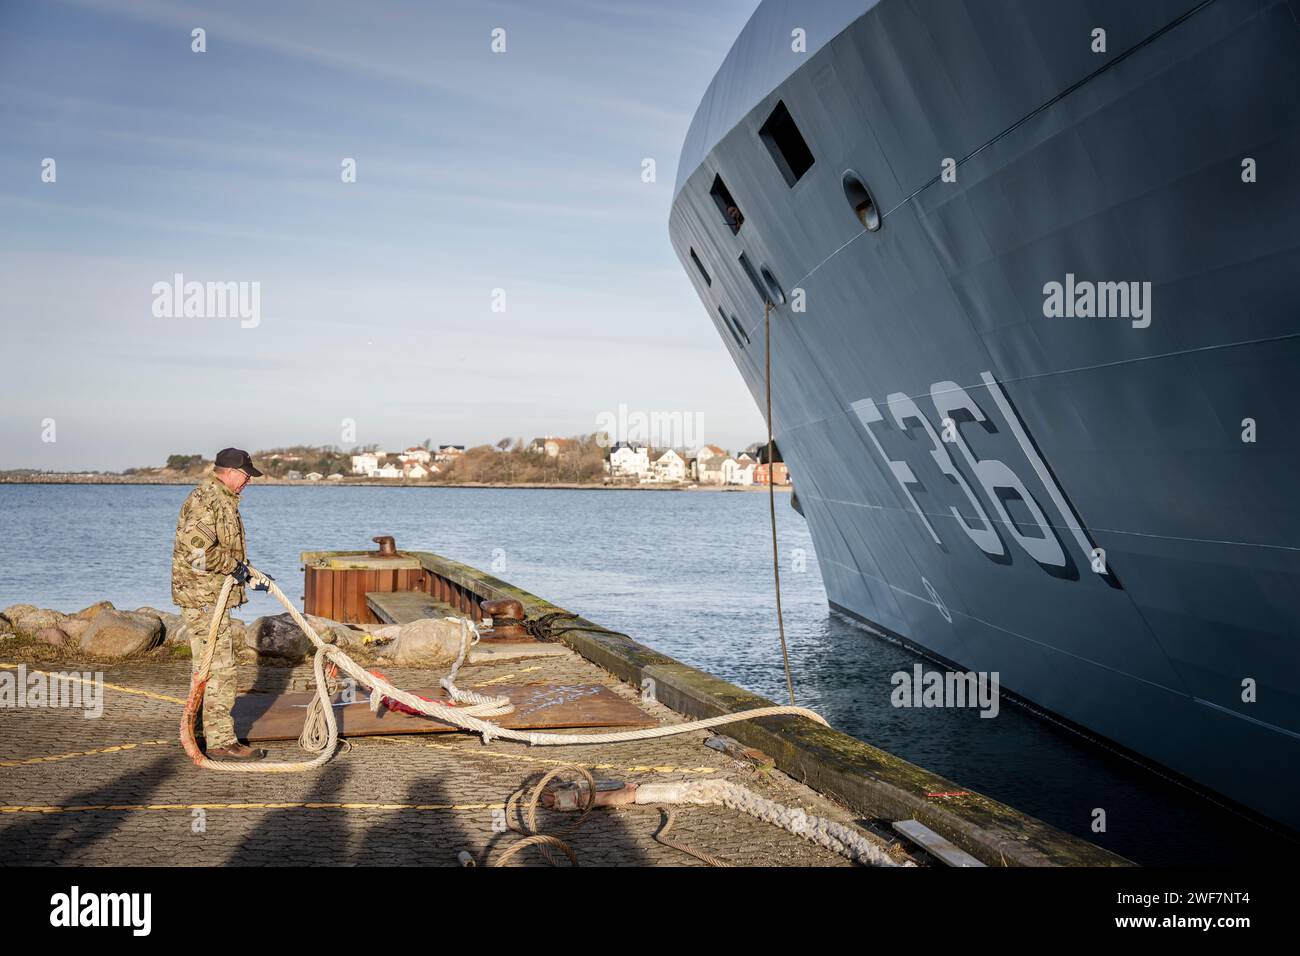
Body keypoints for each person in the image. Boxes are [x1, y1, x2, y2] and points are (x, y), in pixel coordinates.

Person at [171, 448, 268, 761]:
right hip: (201, 599)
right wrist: (233, 567)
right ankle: (221, 741)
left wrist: (248, 573)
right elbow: (196, 553)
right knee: (220, 669)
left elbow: (223, 550)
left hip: (212, 596)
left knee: (209, 666)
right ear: (229, 472)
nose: (248, 482)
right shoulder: (206, 501)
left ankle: (203, 732)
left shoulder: (224, 500)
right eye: (245, 475)